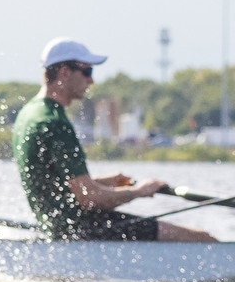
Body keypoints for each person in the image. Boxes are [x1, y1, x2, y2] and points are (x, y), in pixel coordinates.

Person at [12, 38, 216, 242]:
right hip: (83, 228)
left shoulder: (28, 114)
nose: (91, 80)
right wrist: (139, 191)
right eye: (87, 72)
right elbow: (88, 199)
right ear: (64, 72)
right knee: (203, 239)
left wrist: (110, 182)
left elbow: (57, 187)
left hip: (57, 226)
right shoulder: (54, 122)